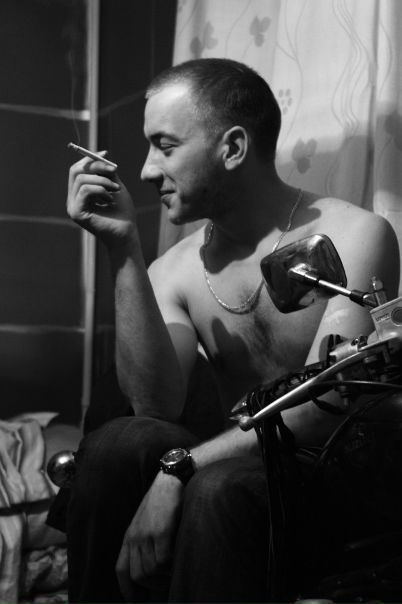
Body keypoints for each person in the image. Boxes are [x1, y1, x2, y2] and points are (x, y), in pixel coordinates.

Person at [55, 58, 400, 603]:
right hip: (236, 464)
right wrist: (122, 249)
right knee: (120, 441)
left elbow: (323, 406)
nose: (146, 171)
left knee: (219, 486)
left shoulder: (353, 235)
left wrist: (183, 468)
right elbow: (154, 406)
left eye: (165, 146)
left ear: (233, 148)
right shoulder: (175, 269)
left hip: (325, 475)